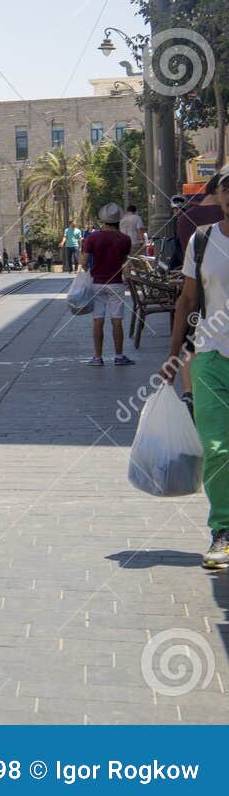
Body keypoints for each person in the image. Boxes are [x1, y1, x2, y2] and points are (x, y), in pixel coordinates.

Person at [162, 174, 229, 568]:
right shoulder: (202, 241)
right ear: (220, 195)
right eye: (228, 187)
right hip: (209, 356)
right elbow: (187, 299)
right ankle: (223, 529)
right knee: (218, 448)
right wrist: (172, 358)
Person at [81, 202, 133, 366]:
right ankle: (119, 356)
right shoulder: (125, 239)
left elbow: (83, 263)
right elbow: (124, 260)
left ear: (102, 220)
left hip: (97, 283)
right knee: (117, 320)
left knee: (98, 320)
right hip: (116, 283)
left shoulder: (92, 238)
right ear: (118, 220)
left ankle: (97, 357)